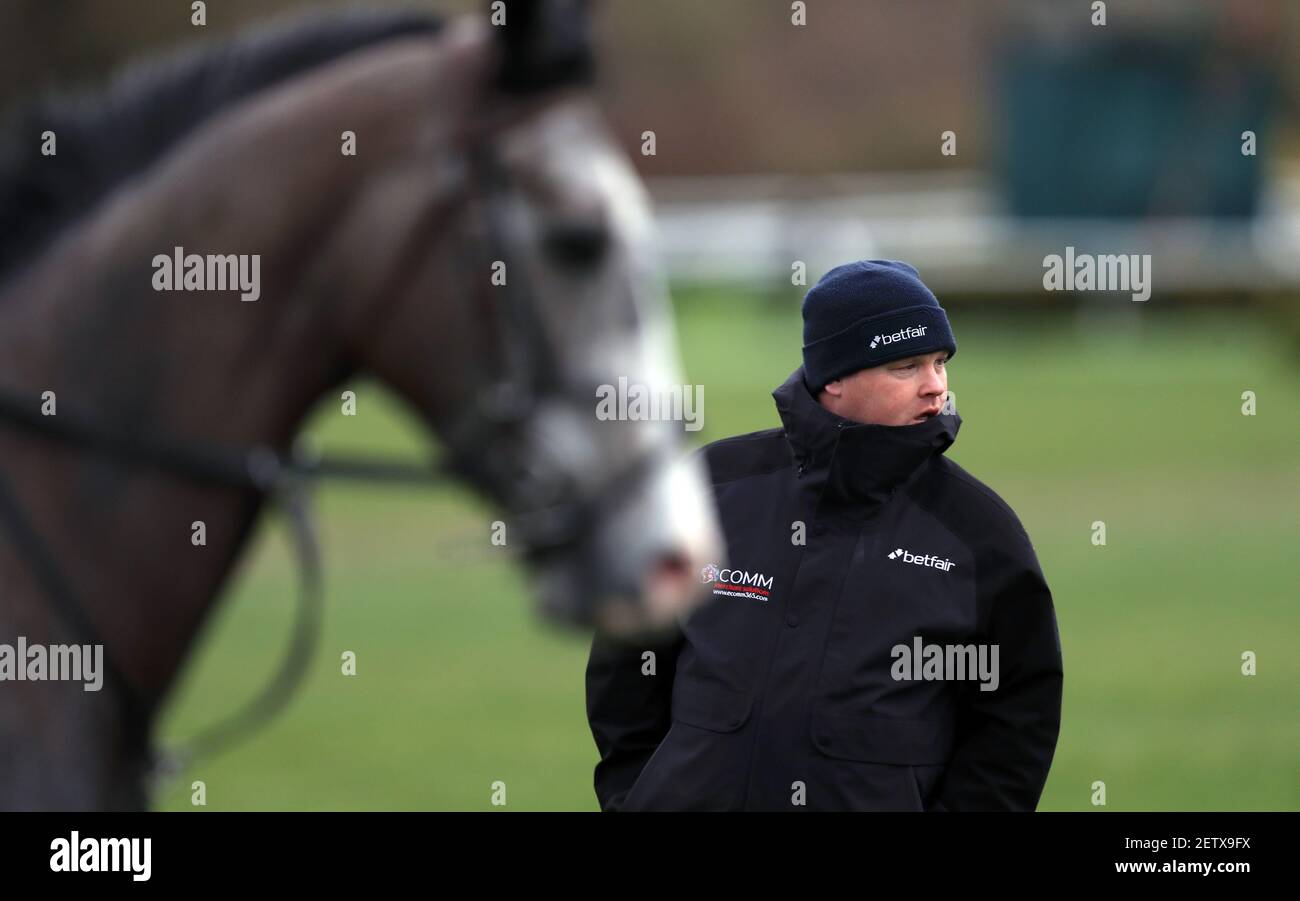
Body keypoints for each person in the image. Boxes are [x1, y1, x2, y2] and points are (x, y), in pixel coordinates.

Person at [585, 260, 1064, 811]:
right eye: (907, 366)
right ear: (833, 376)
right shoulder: (711, 488)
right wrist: (639, 797)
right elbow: (628, 659)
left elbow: (1016, 724)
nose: (936, 387)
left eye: (939, 363)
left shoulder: (978, 532)